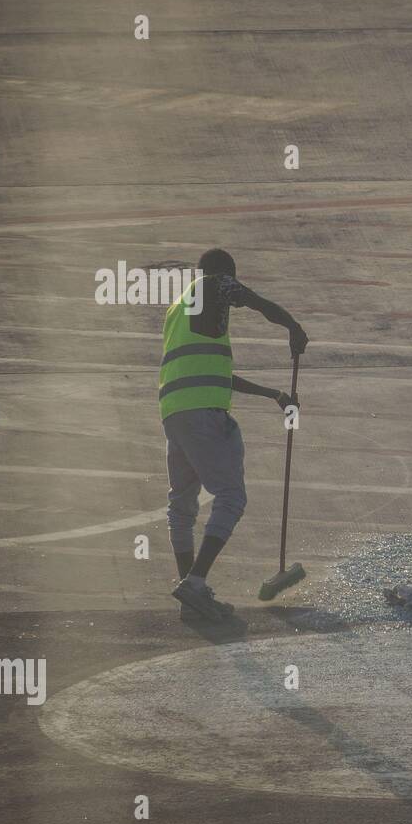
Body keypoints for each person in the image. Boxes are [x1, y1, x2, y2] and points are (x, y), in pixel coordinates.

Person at [159, 248, 308, 621]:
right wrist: (293, 326)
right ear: (223, 274)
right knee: (231, 497)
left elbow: (213, 373)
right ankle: (195, 583)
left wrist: (273, 394)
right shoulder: (215, 283)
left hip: (174, 412)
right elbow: (256, 302)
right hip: (204, 415)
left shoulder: (178, 309)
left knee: (182, 503)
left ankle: (190, 592)